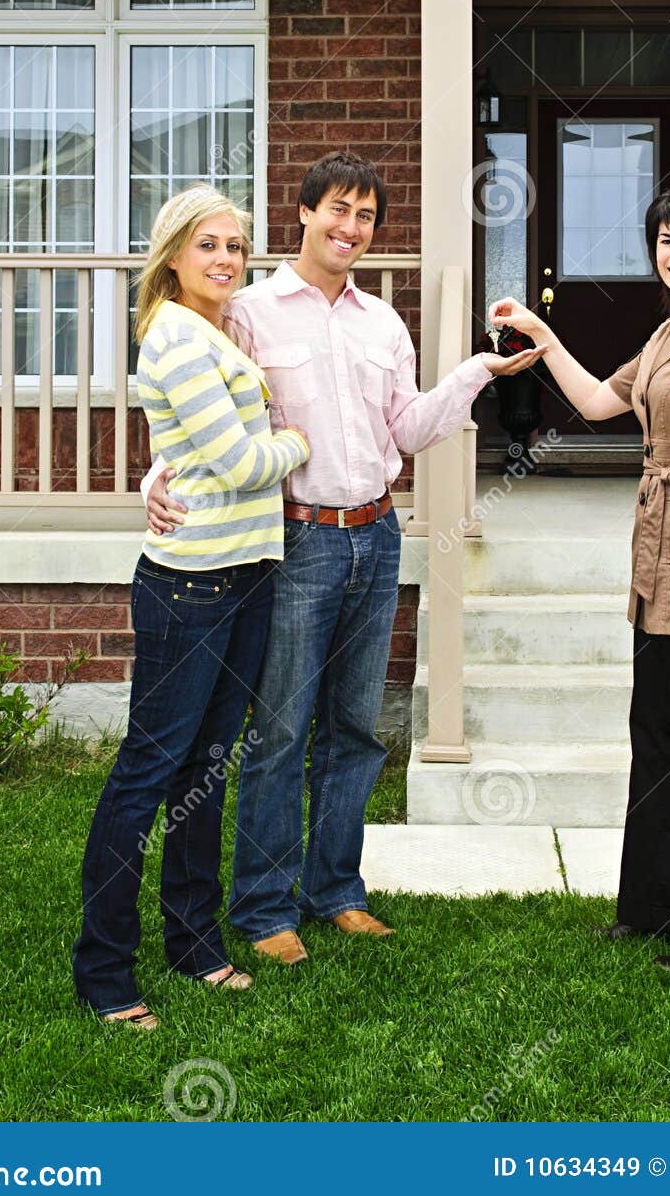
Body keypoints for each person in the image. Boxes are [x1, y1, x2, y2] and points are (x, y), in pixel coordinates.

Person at [145, 152, 545, 965]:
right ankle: (264, 908)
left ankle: (336, 892)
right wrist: (155, 475)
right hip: (296, 539)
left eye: (365, 216)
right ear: (303, 212)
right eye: (337, 209)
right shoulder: (245, 313)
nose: (350, 227)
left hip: (377, 531)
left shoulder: (382, 323)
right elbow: (193, 408)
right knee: (281, 729)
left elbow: (406, 429)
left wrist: (478, 371)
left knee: (355, 728)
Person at [491, 182, 670, 976]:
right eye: (664, 241)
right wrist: (542, 335)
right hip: (655, 550)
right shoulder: (665, 333)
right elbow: (593, 402)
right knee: (656, 737)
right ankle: (655, 908)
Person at [72, 186, 309, 1028]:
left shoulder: (218, 329)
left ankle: (193, 942)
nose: (225, 259)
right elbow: (241, 464)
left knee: (205, 768)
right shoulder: (174, 337)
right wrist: (297, 441)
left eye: (235, 246)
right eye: (208, 244)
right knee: (148, 772)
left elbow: (201, 454)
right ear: (173, 255)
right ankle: (103, 970)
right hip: (192, 587)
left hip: (244, 574)